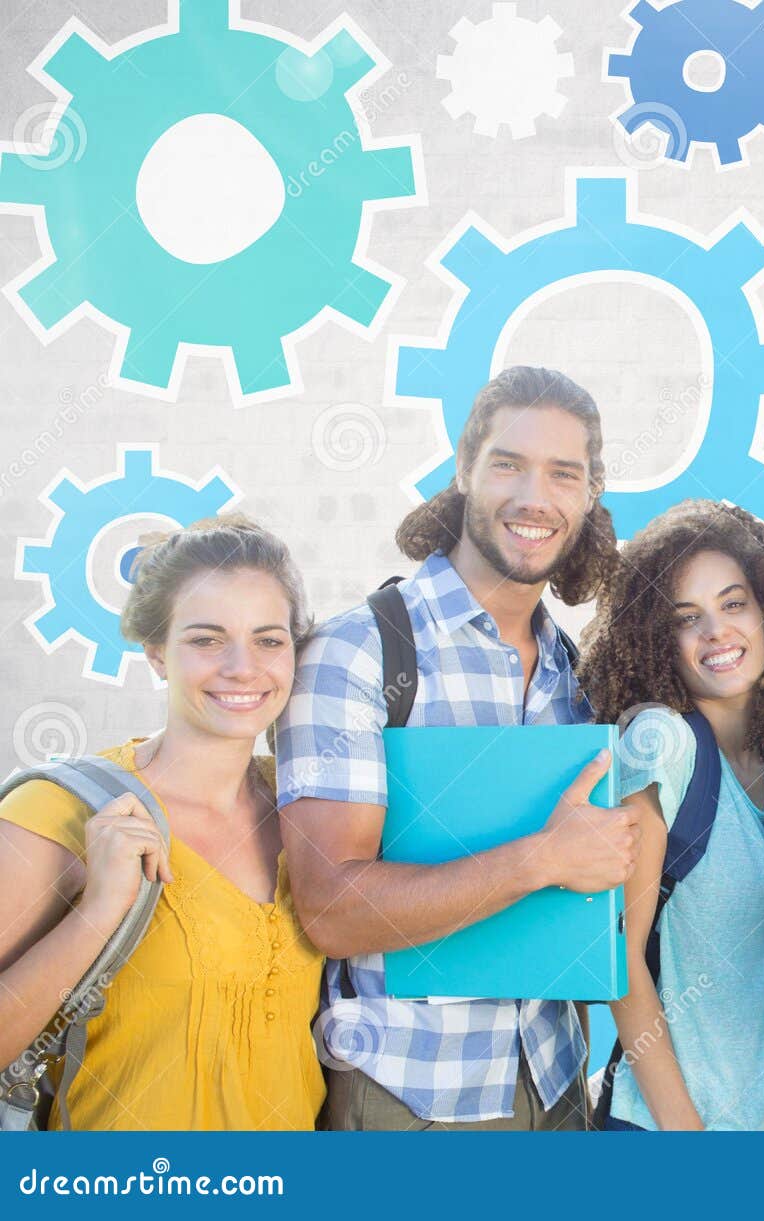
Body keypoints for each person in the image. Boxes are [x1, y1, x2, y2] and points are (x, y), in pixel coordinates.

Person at [275, 366, 641, 1131]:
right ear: (463, 470)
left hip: (554, 1081)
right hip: (411, 1094)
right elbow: (332, 911)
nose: (534, 496)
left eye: (562, 474)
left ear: (589, 495)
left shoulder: (575, 675)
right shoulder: (362, 651)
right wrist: (542, 858)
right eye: (508, 463)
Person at [0, 516, 325, 1129]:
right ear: (157, 655)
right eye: (206, 639)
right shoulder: (61, 809)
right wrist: (98, 912)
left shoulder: (307, 806)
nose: (242, 667)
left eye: (268, 640)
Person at [579, 500, 764, 1130]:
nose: (717, 631)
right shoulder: (664, 745)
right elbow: (618, 961)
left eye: (734, 604)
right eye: (689, 618)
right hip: (669, 1127)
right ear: (659, 641)